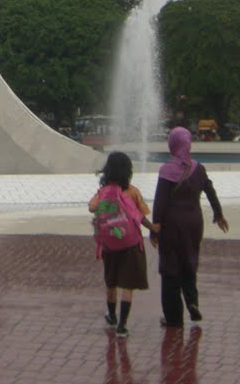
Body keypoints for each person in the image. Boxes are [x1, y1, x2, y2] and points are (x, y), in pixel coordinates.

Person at [151, 127, 228, 328]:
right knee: (189, 261)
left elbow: (160, 202)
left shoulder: (167, 170)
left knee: (170, 268)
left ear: (172, 144)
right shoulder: (199, 168)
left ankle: (173, 317)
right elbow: (211, 192)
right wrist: (218, 214)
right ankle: (192, 302)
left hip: (172, 224)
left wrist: (154, 229)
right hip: (194, 223)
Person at [88, 151, 156, 337]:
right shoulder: (132, 192)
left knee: (111, 282)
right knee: (128, 285)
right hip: (130, 244)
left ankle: (112, 316)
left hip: (109, 244)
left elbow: (92, 207)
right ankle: (123, 326)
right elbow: (140, 216)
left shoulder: (103, 192)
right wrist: (153, 229)